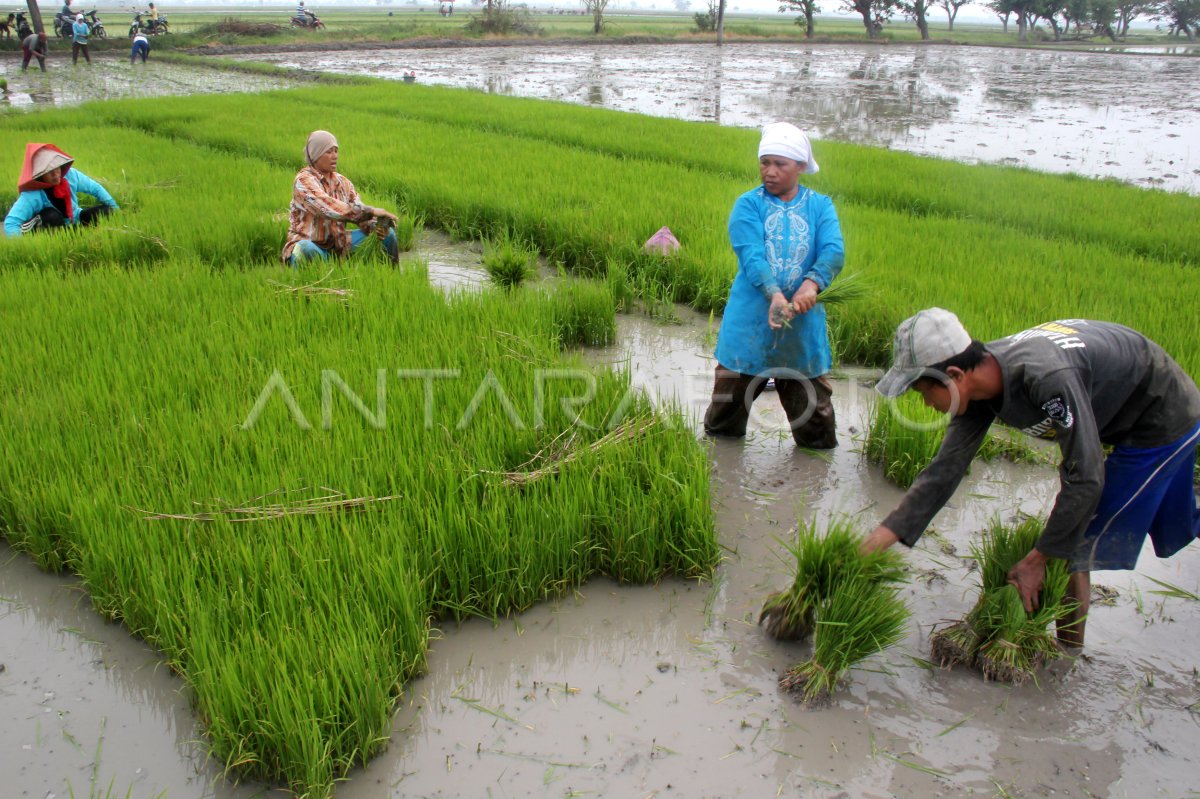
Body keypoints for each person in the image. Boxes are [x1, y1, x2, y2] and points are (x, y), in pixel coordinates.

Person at [861, 308, 1200, 649]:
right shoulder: (978, 387)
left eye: (924, 393)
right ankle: (1066, 649)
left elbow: (1086, 477)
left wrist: (1038, 559)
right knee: (1154, 522)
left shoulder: (1045, 378)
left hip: (1158, 417)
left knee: (1074, 540)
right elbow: (942, 473)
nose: (927, 404)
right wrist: (869, 549)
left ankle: (1066, 657)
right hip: (1113, 411)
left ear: (953, 375)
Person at [703, 121, 845, 449]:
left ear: (800, 166)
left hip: (800, 325)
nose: (770, 171)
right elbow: (751, 254)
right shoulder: (748, 205)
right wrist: (774, 293)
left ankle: (816, 471)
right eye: (764, 162)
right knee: (725, 416)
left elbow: (833, 250)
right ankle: (719, 469)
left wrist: (812, 284)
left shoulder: (820, 206)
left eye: (780, 164)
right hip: (750, 320)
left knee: (815, 423)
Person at [281, 130, 400, 266]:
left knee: (388, 236)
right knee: (304, 248)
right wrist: (371, 211)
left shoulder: (343, 183)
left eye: (336, 151)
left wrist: (376, 225)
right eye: (329, 152)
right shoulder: (303, 181)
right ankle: (307, 283)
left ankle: (393, 277)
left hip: (338, 246)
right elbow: (326, 206)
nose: (335, 156)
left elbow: (359, 212)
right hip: (312, 246)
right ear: (316, 155)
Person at [4, 143, 119, 236]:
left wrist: (116, 209)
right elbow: (11, 223)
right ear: (40, 175)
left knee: (107, 212)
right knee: (52, 216)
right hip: (42, 226)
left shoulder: (71, 175)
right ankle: (55, 241)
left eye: (57, 168)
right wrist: (23, 247)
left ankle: (74, 235)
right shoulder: (32, 194)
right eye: (49, 171)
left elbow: (95, 188)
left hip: (71, 221)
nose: (55, 174)